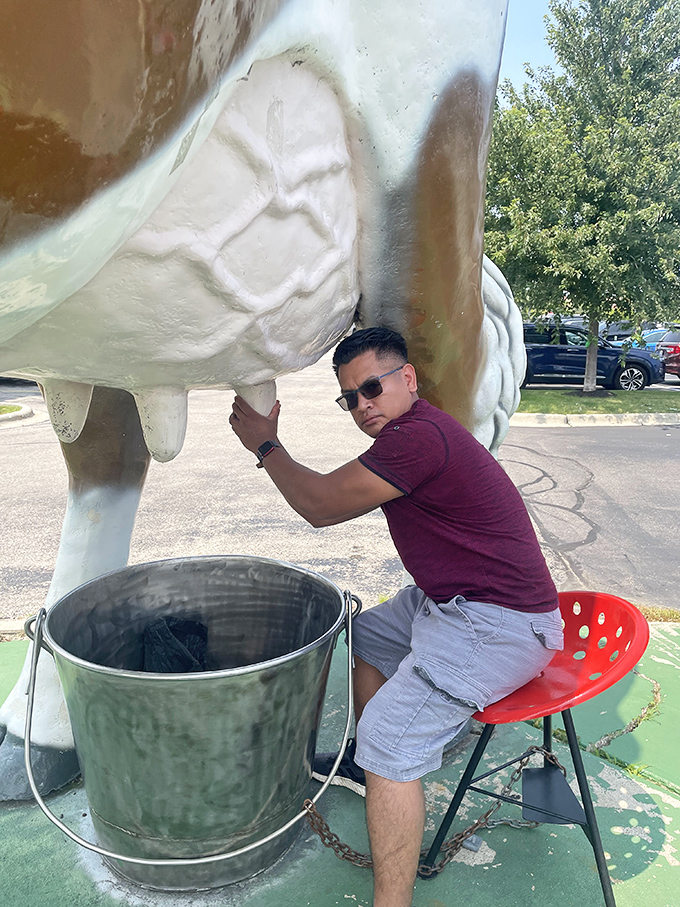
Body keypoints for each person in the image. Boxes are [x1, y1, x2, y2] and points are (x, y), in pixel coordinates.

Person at [229, 326, 563, 907]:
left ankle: (390, 864)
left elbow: (320, 505)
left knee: (390, 741)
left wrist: (266, 444)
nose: (362, 405)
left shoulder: (417, 438)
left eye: (372, 388)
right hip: (453, 600)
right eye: (350, 398)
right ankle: (371, 767)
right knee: (365, 634)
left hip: (499, 623)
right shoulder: (416, 430)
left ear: (407, 378)